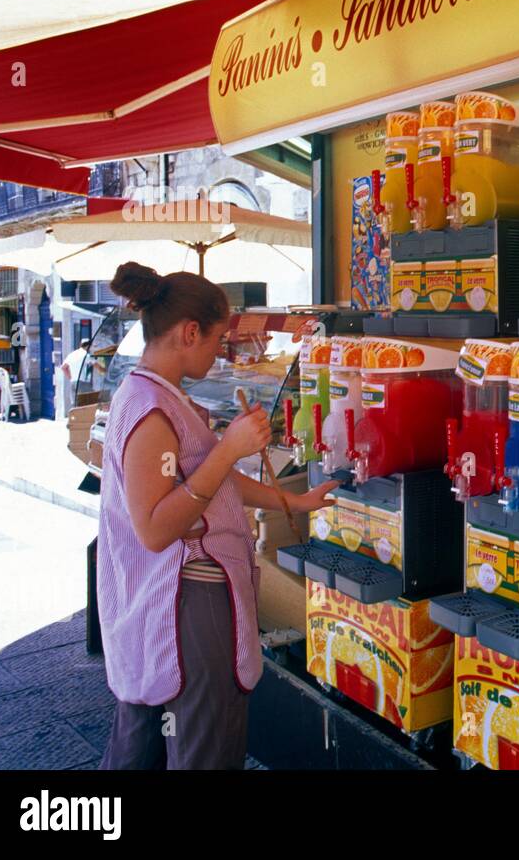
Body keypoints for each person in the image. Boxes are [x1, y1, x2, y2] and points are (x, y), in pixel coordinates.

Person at [97, 262, 336, 770]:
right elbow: (158, 527)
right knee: (203, 744)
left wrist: (293, 502)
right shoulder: (150, 410)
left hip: (168, 604)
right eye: (217, 339)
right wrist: (228, 449)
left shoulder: (159, 397)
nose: (220, 352)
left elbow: (208, 481)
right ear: (189, 332)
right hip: (188, 603)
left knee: (149, 742)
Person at [61, 337, 90, 402]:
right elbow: (96, 365)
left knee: (75, 403)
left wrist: (70, 377)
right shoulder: (85, 355)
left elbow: (63, 367)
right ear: (88, 346)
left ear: (80, 345)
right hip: (81, 382)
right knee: (83, 403)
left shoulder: (72, 354)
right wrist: (105, 370)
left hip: (73, 382)